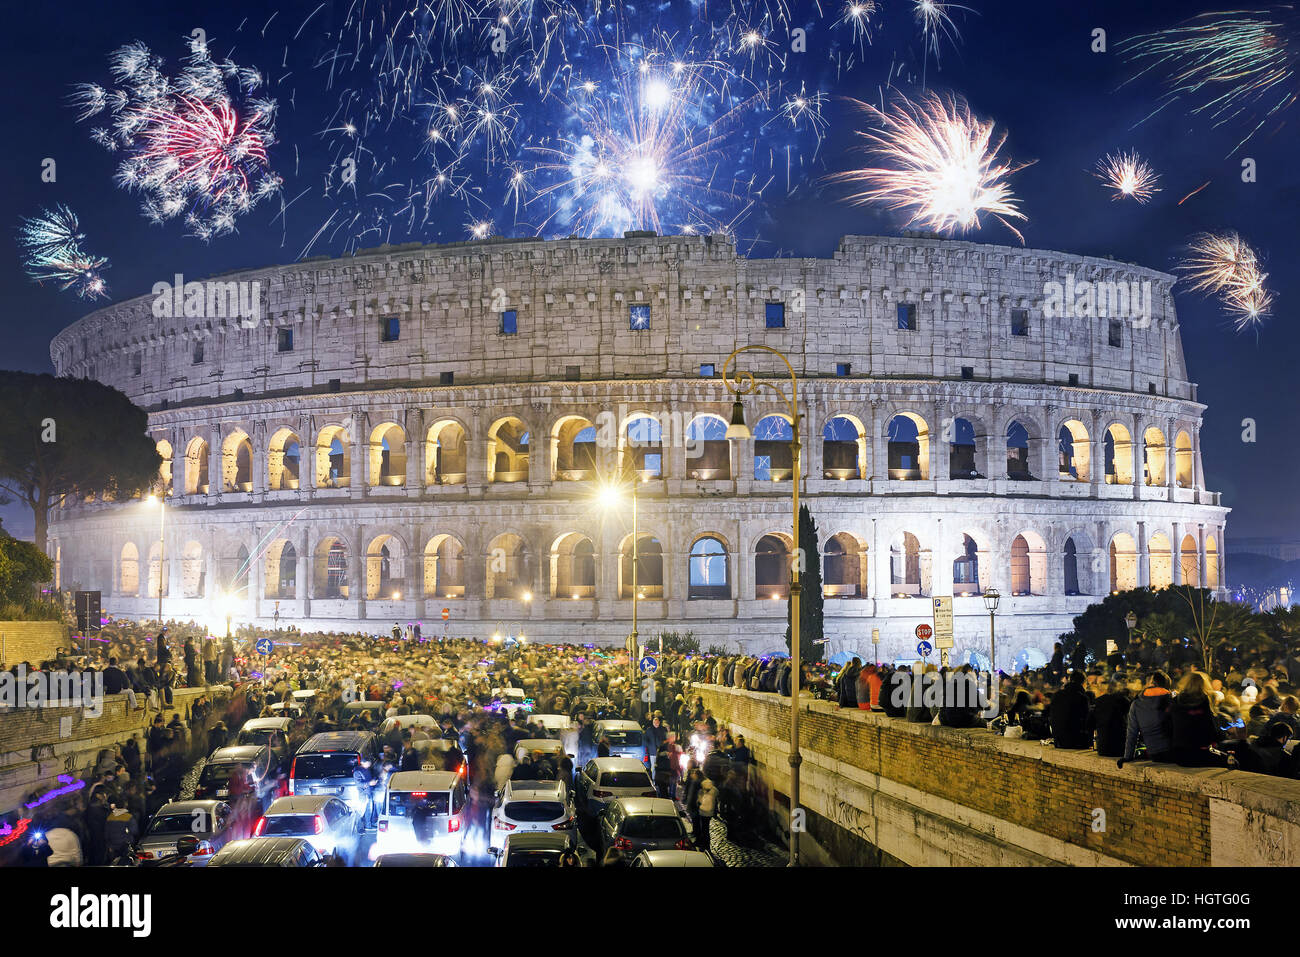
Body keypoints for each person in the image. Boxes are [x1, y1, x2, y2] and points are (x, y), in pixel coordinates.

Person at [1170, 671, 1231, 767]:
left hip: (1179, 753)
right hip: (1199, 752)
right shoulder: (1203, 700)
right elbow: (1211, 727)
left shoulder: (1176, 700)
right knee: (1230, 760)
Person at [1120, 671, 1174, 767]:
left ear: (1150, 684)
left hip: (1154, 754)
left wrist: (1127, 756)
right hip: (1174, 751)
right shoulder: (1172, 700)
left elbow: (1132, 733)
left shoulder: (1136, 704)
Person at [1049, 670, 1092, 748]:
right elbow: (1086, 721)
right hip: (1076, 742)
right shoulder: (1082, 698)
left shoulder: (1057, 695)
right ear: (1083, 683)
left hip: (1058, 741)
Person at [1092, 678, 1132, 758]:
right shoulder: (1124, 701)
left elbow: (1090, 723)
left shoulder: (1099, 701)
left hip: (1103, 748)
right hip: (1120, 748)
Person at [696, 778, 717, 853]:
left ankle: (704, 844)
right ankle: (707, 844)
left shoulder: (701, 791)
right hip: (710, 813)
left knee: (704, 829)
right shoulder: (714, 791)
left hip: (703, 812)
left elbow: (699, 801)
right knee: (706, 828)